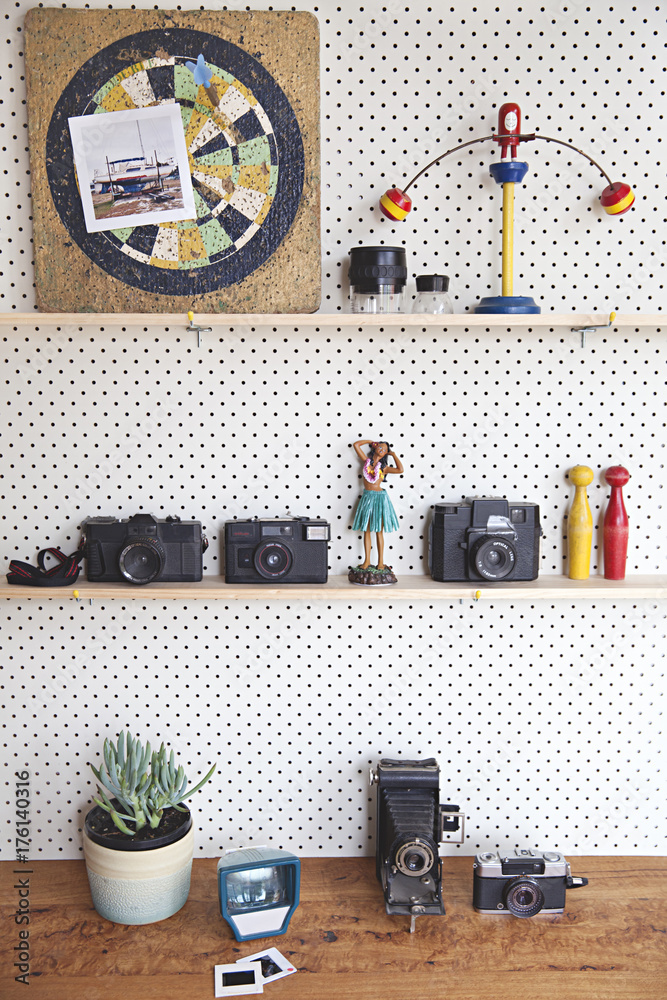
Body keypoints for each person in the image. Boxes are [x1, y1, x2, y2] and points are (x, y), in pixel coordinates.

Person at [352, 439, 404, 570]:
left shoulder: (384, 468)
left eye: (385, 450)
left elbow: (400, 470)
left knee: (379, 532)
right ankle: (367, 561)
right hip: (367, 497)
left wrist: (393, 455)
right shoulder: (366, 461)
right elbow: (356, 445)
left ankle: (380, 562)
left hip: (379, 498)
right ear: (375, 447)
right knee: (366, 530)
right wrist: (370, 441)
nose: (382, 450)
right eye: (380, 447)